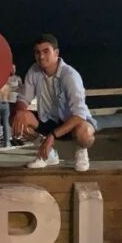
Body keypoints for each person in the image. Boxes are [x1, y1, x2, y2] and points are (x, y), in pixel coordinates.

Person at [12, 34, 97, 172]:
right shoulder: (34, 71)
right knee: (17, 118)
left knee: (85, 133)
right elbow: (23, 99)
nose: (41, 57)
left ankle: (81, 151)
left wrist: (52, 136)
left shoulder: (70, 75)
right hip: (49, 119)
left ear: (56, 53)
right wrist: (20, 112)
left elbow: (79, 114)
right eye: (37, 52)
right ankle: (47, 154)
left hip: (73, 123)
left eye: (46, 51)